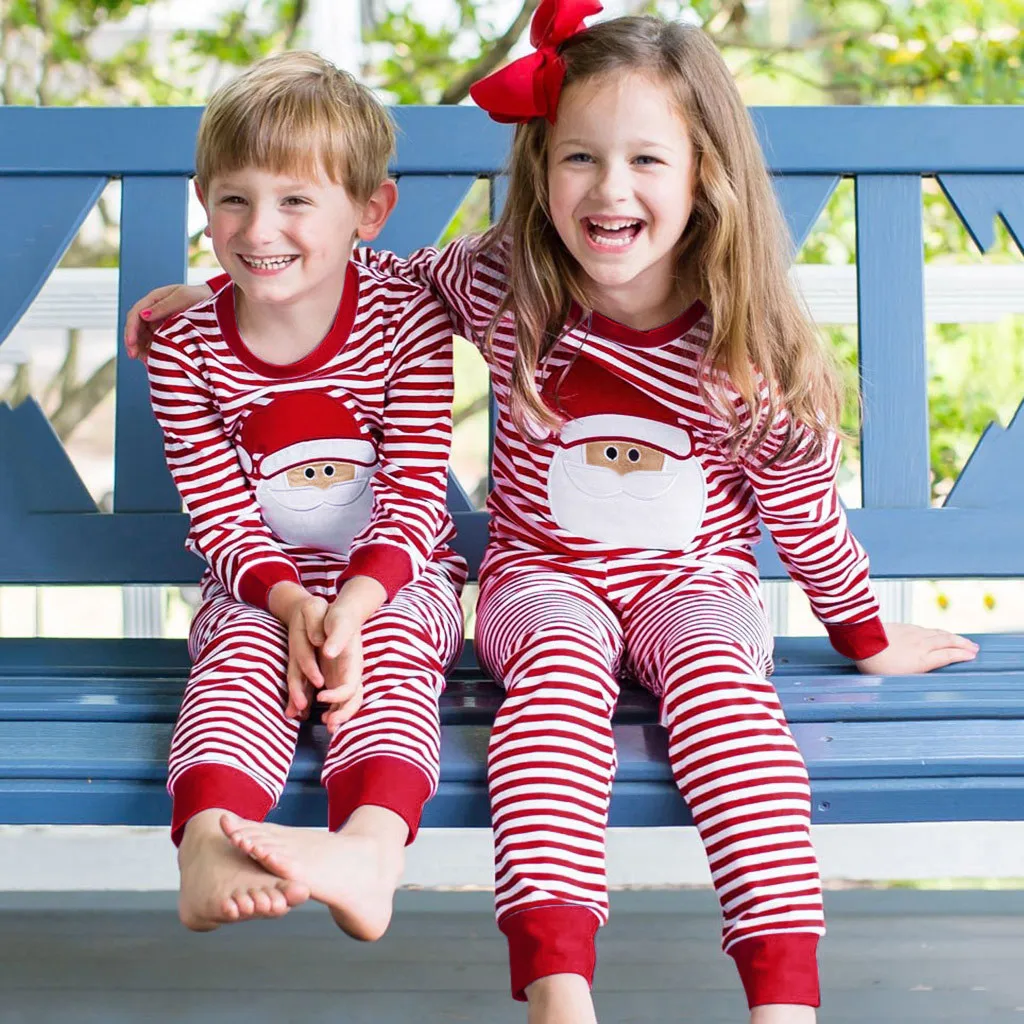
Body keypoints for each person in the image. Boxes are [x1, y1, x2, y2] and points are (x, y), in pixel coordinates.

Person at [127, 5, 977, 1022]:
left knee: (725, 694)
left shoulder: (744, 349)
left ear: (705, 173)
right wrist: (214, 294)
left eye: (645, 161)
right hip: (542, 583)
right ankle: (557, 993)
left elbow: (802, 513)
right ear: (542, 168)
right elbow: (353, 280)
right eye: (579, 156)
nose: (609, 189)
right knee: (553, 688)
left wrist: (865, 632)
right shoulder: (503, 284)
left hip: (693, 586)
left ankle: (783, 1002)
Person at [143, 50, 466, 941]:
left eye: (295, 200)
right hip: (257, 585)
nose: (260, 228)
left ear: (370, 210)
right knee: (236, 663)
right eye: (235, 199)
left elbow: (411, 495)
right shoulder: (184, 346)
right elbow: (220, 513)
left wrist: (352, 607)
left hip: (395, 579)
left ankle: (368, 850)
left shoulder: (408, 317)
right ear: (204, 201)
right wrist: (289, 605)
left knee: (392, 667)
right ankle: (207, 841)